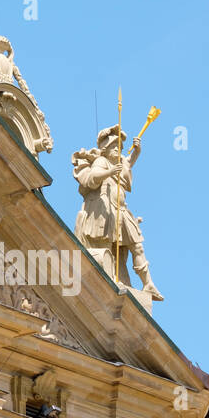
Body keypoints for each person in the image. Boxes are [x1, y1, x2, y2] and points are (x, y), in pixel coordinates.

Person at [73, 125, 163, 300]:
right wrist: (109, 172)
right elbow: (92, 178)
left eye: (119, 147)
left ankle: (148, 284)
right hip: (106, 210)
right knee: (107, 246)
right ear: (106, 149)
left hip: (122, 210)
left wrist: (137, 151)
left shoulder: (119, 163)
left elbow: (128, 163)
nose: (117, 149)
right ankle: (110, 278)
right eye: (114, 146)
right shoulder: (102, 162)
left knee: (137, 245)